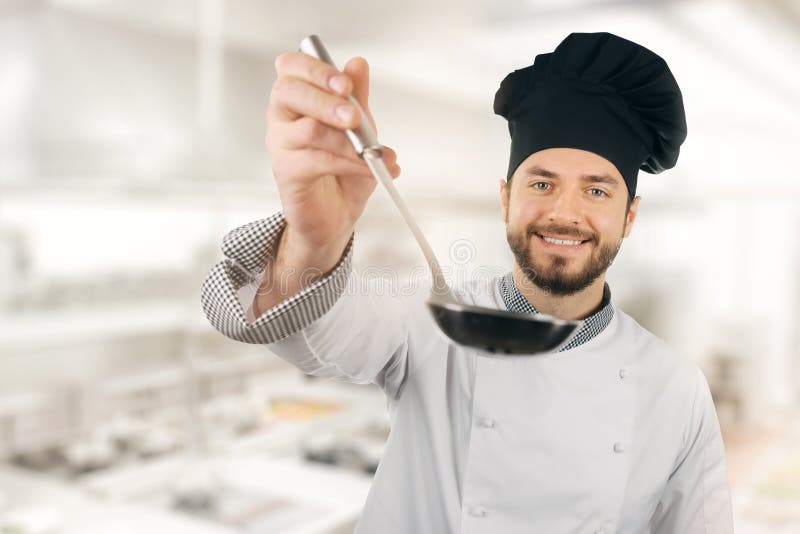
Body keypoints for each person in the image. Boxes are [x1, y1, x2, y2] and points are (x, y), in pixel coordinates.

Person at [201, 32, 734, 533]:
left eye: (597, 191)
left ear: (630, 215)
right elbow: (310, 330)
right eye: (542, 182)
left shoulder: (676, 391)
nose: (565, 213)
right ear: (505, 198)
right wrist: (313, 242)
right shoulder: (430, 322)